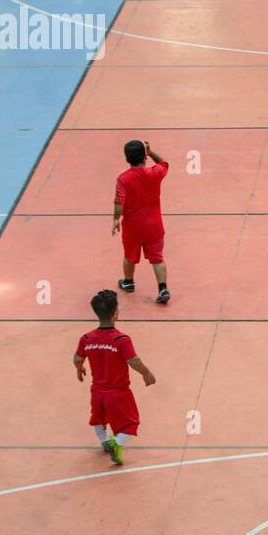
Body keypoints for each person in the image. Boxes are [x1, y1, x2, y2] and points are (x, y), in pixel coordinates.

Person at [73, 289, 156, 466]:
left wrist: (79, 368)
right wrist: (146, 373)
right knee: (130, 423)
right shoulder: (121, 340)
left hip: (97, 392)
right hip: (118, 393)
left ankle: (104, 442)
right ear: (116, 314)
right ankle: (116, 445)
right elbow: (133, 361)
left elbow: (77, 358)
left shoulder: (86, 338)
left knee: (98, 418)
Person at [113, 140, 170, 304]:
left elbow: (119, 201)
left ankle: (128, 282)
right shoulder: (155, 173)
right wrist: (151, 152)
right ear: (144, 156)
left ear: (126, 158)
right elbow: (164, 163)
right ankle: (163, 288)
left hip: (133, 227)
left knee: (129, 255)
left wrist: (116, 219)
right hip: (154, 225)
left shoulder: (123, 179)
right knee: (157, 258)